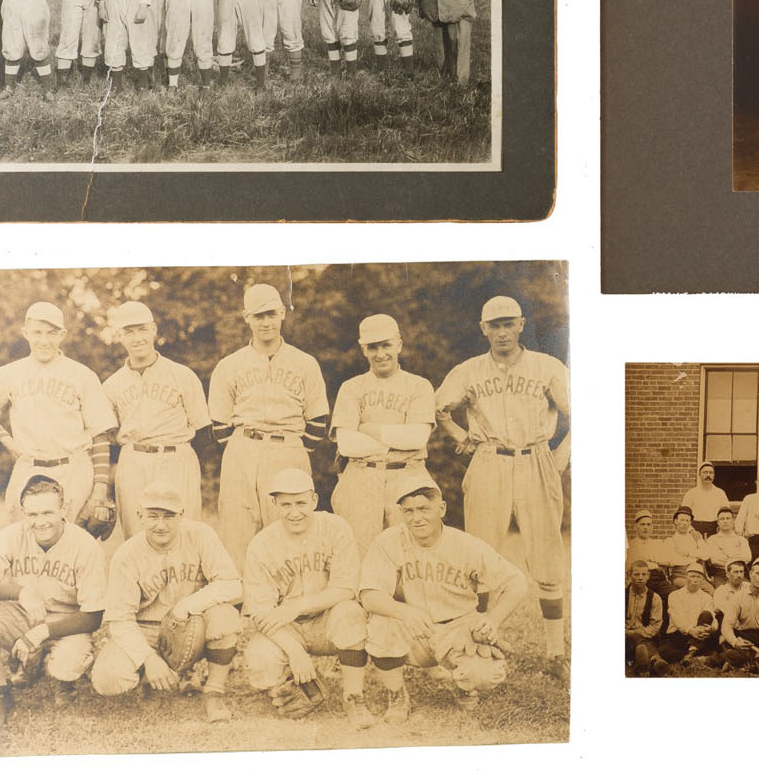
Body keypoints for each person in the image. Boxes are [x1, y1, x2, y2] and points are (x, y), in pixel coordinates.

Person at [433, 295, 571, 679]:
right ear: (483, 329)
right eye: (494, 325)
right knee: (480, 554)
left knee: (546, 555)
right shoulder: (469, 370)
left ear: (522, 324)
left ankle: (555, 653)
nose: (502, 331)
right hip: (489, 459)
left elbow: (584, 411)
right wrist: (459, 433)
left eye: (509, 323)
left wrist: (561, 456)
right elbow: (438, 406)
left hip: (537, 457)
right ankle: (478, 645)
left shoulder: (547, 367)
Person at [360, 473, 529, 716]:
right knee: (381, 623)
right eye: (408, 511)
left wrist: (492, 620)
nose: (416, 518)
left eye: (423, 509)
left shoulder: (465, 544)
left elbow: (516, 583)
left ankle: (466, 684)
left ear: (441, 509)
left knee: (485, 675)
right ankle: (397, 695)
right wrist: (404, 611)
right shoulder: (389, 541)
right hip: (412, 627)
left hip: (458, 628)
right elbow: (369, 595)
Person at [0, 475, 107, 728]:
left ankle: (62, 681)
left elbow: (94, 616)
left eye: (48, 512)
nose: (41, 522)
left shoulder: (85, 546)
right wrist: (20, 592)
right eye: (33, 514)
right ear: (24, 512)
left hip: (66, 622)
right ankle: (0, 693)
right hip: (24, 614)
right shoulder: (12, 535)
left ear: (64, 509)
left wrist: (40, 633)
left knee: (67, 665)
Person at [90, 483, 241, 721]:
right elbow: (119, 620)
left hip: (193, 623)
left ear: (182, 515)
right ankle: (152, 681)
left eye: (169, 516)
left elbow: (232, 584)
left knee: (226, 618)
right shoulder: (127, 555)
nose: (161, 525)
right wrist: (148, 659)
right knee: (108, 678)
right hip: (145, 630)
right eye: (153, 516)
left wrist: (185, 606)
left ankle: (214, 692)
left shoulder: (200, 535)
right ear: (140, 517)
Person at [208, 283, 330, 567]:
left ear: (282, 314)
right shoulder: (230, 365)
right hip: (242, 447)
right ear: (246, 317)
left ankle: (293, 600)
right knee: (238, 528)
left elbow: (318, 420)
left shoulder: (305, 362)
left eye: (271, 314)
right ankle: (243, 600)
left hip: (288, 446)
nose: (266, 322)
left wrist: (292, 450)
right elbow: (219, 423)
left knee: (291, 525)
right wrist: (245, 446)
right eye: (258, 315)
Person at [243, 468, 370, 725]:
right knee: (259, 659)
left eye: (301, 503)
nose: (294, 512)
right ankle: (294, 683)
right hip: (285, 628)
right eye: (286, 504)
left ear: (314, 500)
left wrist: (297, 606)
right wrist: (295, 653)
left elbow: (347, 588)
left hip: (327, 620)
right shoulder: (261, 544)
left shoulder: (335, 527)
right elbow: (260, 612)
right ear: (274, 504)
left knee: (351, 613)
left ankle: (354, 697)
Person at [0, 301, 115, 524]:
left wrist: (99, 488)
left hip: (73, 468)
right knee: (23, 540)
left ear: (62, 334)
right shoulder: (9, 373)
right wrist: (8, 441)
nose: (44, 341)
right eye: (37, 333)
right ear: (25, 333)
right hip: (29, 466)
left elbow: (100, 435)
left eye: (51, 333)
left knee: (72, 543)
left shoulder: (82, 375)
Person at [100, 301, 210, 540]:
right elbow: (107, 436)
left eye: (142, 329)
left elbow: (203, 429)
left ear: (153, 330)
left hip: (176, 457)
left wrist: (183, 455)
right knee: (137, 535)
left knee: (184, 532)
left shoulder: (182, 375)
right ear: (120, 336)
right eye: (128, 331)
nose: (137, 338)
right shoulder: (111, 385)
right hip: (134, 461)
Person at [329, 314, 436, 553]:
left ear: (398, 344)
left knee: (412, 554)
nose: (380, 354)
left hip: (407, 476)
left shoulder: (419, 386)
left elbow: (417, 438)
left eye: (386, 345)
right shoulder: (352, 387)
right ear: (363, 349)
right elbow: (347, 445)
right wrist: (397, 442)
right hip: (361, 478)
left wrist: (369, 430)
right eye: (372, 347)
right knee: (360, 555)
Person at [711, 558, 759, 671]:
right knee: (744, 650)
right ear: (750, 574)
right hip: (743, 635)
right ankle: (716, 659)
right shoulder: (738, 596)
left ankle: (732, 659)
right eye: (757, 573)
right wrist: (736, 642)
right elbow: (727, 625)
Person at [649, 562, 717, 674]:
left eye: (699, 577)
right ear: (686, 577)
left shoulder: (707, 597)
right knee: (664, 650)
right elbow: (678, 618)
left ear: (702, 580)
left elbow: (712, 617)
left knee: (706, 615)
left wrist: (712, 628)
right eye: (692, 576)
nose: (695, 580)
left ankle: (691, 653)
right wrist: (691, 630)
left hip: (699, 635)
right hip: (679, 636)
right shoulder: (675, 595)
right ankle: (692, 658)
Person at [625, 561, 665, 673]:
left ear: (648, 576)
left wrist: (635, 633)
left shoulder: (655, 598)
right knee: (637, 644)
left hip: (645, 637)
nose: (640, 578)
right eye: (636, 574)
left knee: (642, 643)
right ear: (629, 575)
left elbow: (655, 626)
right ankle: (653, 660)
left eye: (643, 574)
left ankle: (647, 664)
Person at [627, 511, 676, 597]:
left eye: (648, 525)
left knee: (674, 595)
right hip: (642, 579)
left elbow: (668, 561)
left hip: (658, 577)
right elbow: (632, 565)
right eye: (643, 524)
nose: (646, 528)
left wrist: (647, 559)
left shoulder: (656, 544)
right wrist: (655, 562)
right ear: (636, 526)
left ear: (652, 527)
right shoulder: (631, 545)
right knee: (649, 597)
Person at [680, 462, 731, 535]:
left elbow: (726, 513)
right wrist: (691, 530)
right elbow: (684, 514)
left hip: (715, 530)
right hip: (695, 529)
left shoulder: (720, 493)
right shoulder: (691, 493)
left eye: (711, 473)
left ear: (714, 475)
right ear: (699, 475)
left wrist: (721, 528)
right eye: (705, 472)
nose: (708, 475)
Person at [704, 507, 752, 584]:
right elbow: (715, 560)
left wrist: (726, 556)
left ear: (733, 521)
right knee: (721, 593)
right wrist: (737, 557)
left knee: (748, 592)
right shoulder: (712, 539)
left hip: (739, 573)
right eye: (722, 519)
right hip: (720, 574)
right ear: (718, 522)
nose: (725, 521)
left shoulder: (741, 539)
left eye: (728, 518)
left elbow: (747, 557)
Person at [664, 507, 709, 588]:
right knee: (693, 588)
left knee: (711, 591)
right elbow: (671, 561)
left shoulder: (696, 537)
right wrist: (696, 556)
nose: (684, 523)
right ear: (676, 521)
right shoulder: (670, 540)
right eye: (682, 520)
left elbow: (706, 555)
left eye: (687, 520)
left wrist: (688, 553)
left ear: (690, 523)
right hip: (680, 575)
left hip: (697, 573)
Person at [711, 558, 750, 630]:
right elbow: (728, 613)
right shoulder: (721, 591)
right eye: (735, 572)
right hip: (728, 626)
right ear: (727, 574)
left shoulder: (748, 587)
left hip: (746, 624)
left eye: (741, 572)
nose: (739, 575)